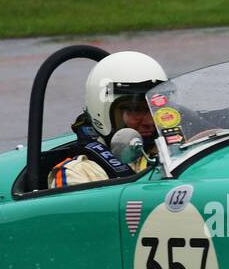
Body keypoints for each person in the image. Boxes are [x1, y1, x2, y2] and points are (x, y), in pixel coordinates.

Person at [48, 51, 166, 188]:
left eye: (154, 109)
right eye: (136, 110)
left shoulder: (178, 154)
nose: (150, 122)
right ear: (102, 111)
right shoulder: (79, 173)